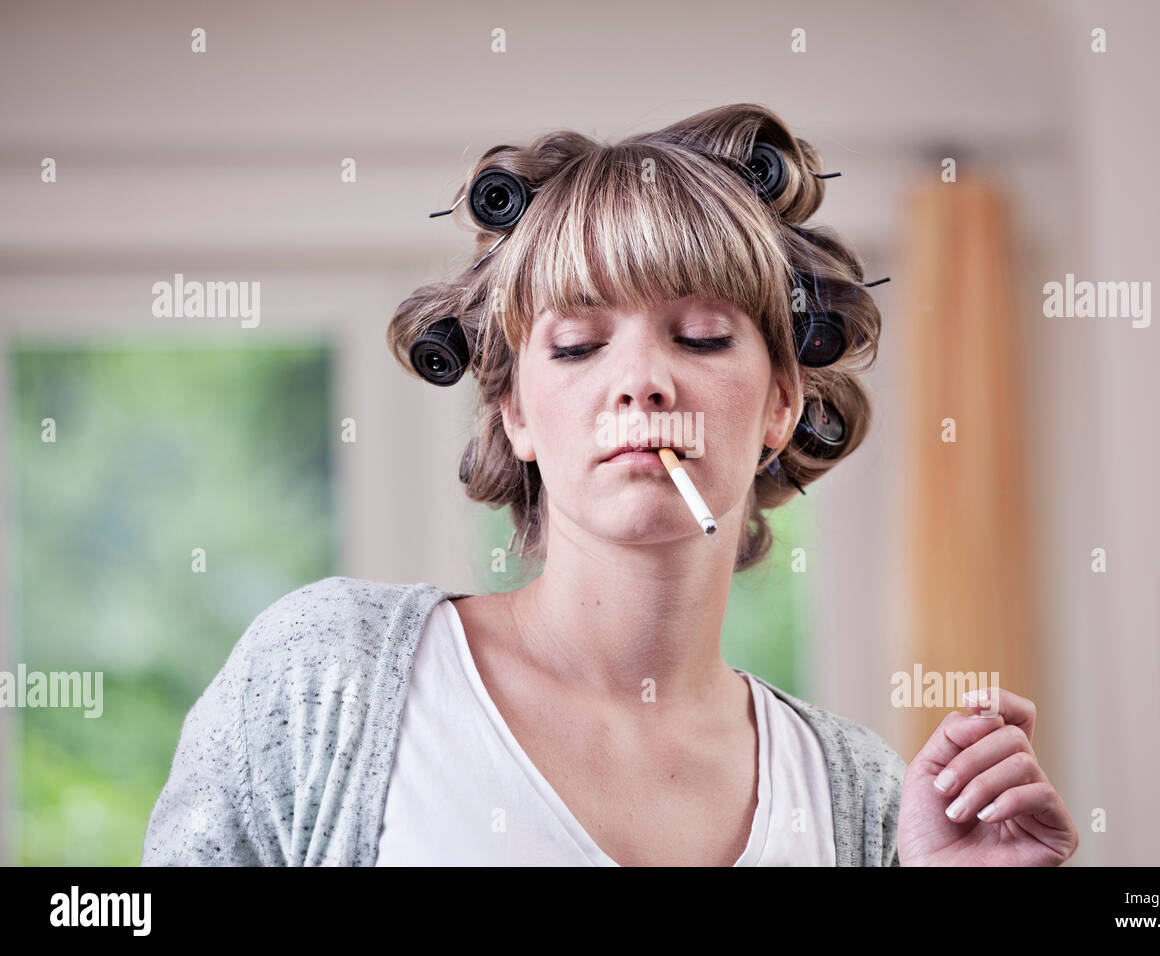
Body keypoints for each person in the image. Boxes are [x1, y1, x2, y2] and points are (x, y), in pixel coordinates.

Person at [142, 103, 1077, 866]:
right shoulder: (324, 677)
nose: (642, 379)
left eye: (702, 336)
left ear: (782, 406)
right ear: (515, 412)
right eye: (580, 345)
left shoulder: (864, 798)